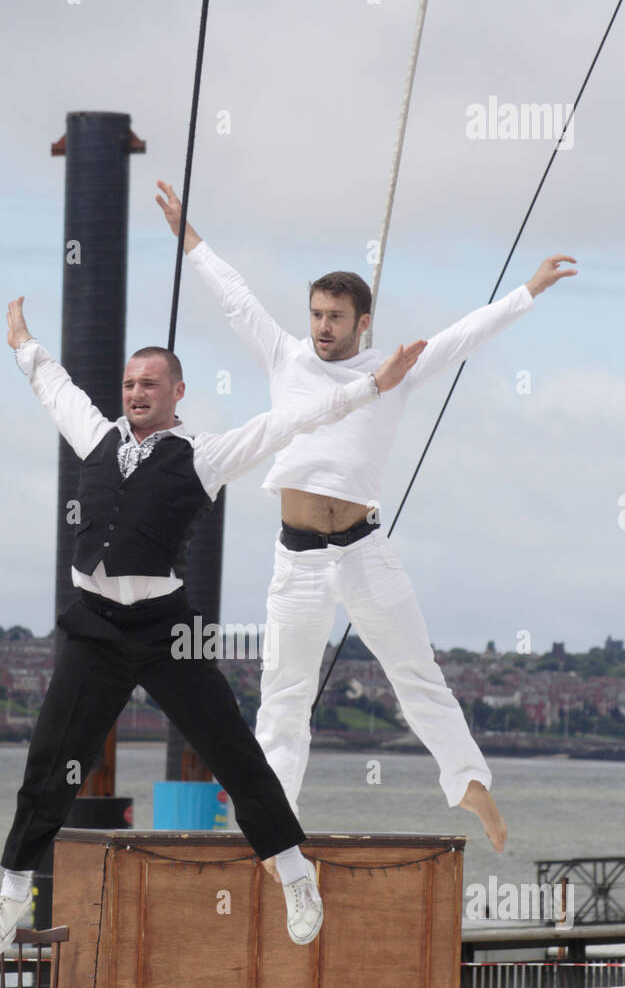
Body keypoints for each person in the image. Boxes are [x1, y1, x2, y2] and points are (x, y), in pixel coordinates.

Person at [0, 295, 426, 957]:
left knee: (232, 750)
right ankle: (13, 889)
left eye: (149, 384)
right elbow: (54, 385)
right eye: (129, 383)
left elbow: (291, 420)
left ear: (176, 391)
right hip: (93, 629)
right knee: (52, 759)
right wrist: (22, 342)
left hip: (164, 633)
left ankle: (296, 875)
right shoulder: (95, 436)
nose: (136, 392)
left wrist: (370, 386)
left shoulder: (205, 454)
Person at [156, 181, 577, 851]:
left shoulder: (394, 370)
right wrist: (190, 236)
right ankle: (274, 827)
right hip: (296, 558)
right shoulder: (284, 356)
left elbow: (467, 333)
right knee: (285, 696)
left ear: (362, 323)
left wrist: (529, 289)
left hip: (364, 551)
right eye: (317, 313)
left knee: (417, 673)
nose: (322, 326)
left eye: (335, 316)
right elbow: (236, 299)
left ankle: (469, 784)